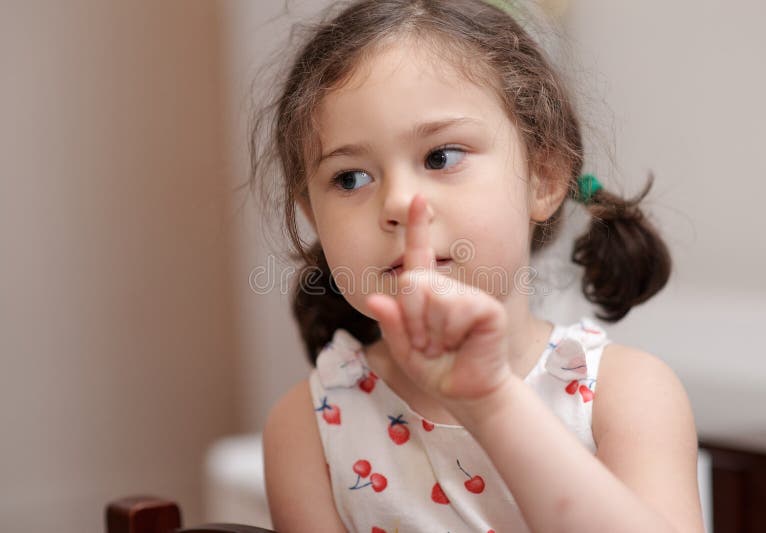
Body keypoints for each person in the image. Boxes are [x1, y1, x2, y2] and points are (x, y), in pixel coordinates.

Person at [253, 1, 704, 531]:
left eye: (441, 157)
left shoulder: (624, 395)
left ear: (544, 178)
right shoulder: (307, 429)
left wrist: (492, 404)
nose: (399, 203)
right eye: (351, 178)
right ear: (312, 215)